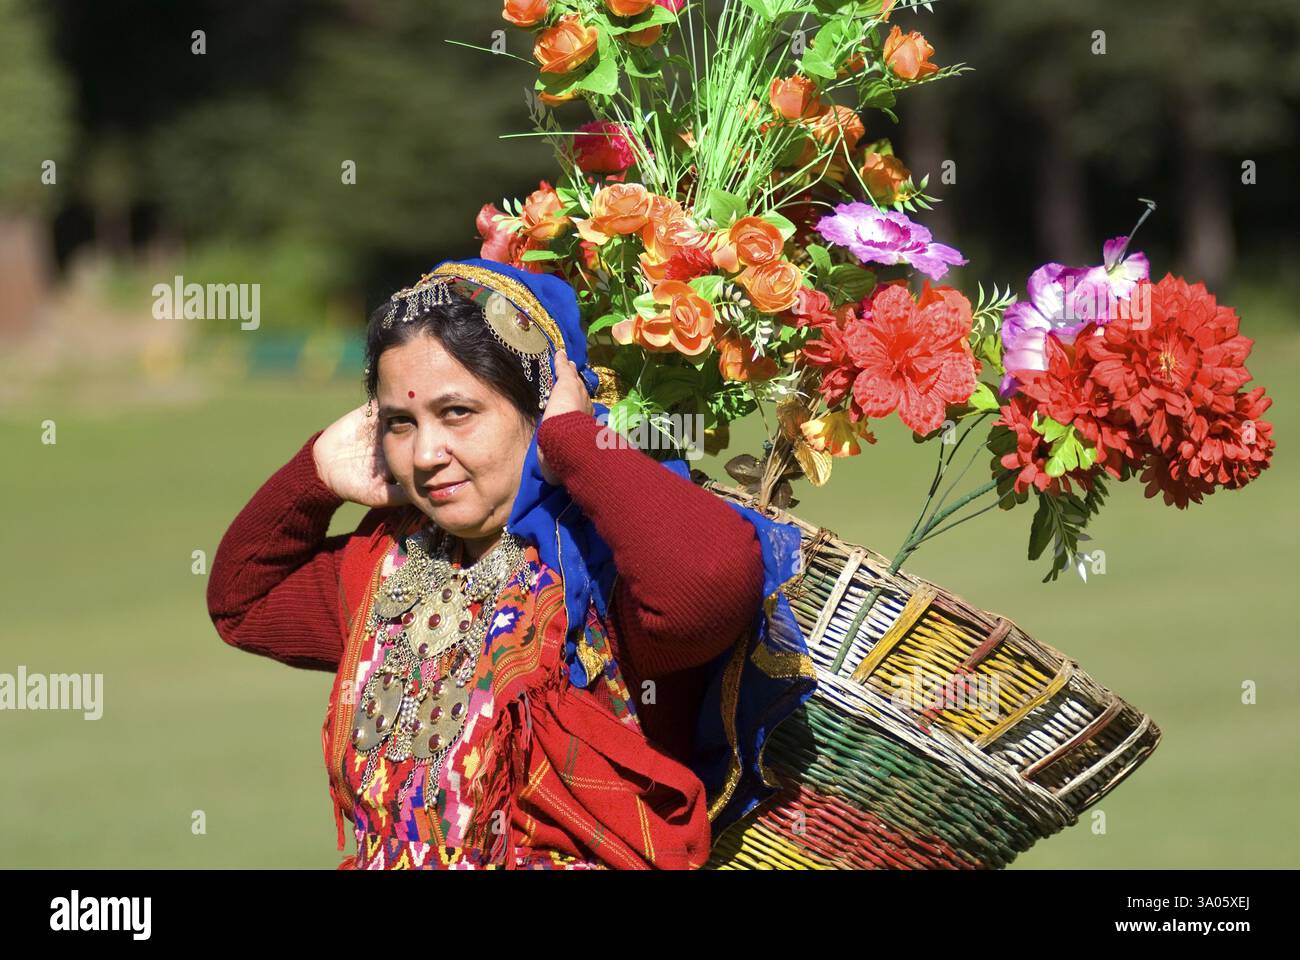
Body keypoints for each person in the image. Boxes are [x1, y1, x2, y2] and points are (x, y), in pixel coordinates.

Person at [206, 257, 815, 869]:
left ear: (542, 407)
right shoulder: (388, 558)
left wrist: (578, 441)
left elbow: (707, 584)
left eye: (457, 413)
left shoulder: (596, 571)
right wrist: (314, 473)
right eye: (399, 422)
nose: (423, 454)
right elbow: (243, 602)